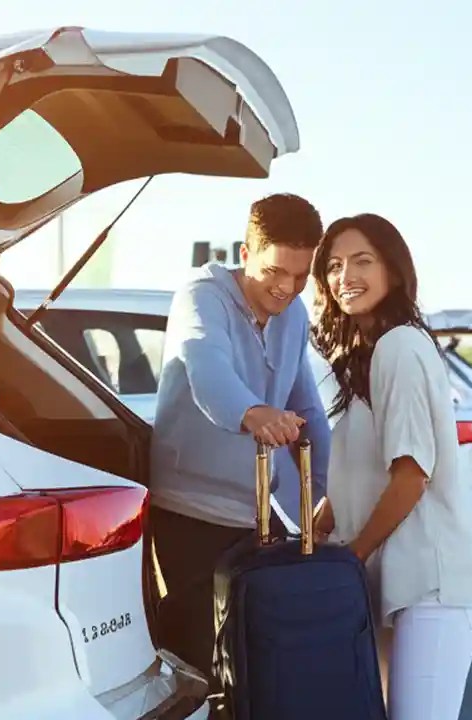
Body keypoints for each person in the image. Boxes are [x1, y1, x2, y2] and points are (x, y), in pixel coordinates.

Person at [308, 213, 472, 719]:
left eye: (363, 261)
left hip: (431, 588)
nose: (347, 276)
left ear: (393, 269)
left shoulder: (400, 346)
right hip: (396, 587)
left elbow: (411, 476)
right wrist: (315, 527)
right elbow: (364, 474)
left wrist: (350, 558)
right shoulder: (370, 353)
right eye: (335, 265)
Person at [149, 192, 333, 677]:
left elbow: (307, 406)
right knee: (195, 662)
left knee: (245, 665)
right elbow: (206, 365)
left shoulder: (292, 313)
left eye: (299, 276)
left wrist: (327, 496)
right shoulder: (201, 295)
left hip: (255, 518)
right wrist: (253, 412)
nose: (287, 288)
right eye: (275, 272)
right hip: (189, 517)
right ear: (246, 254)